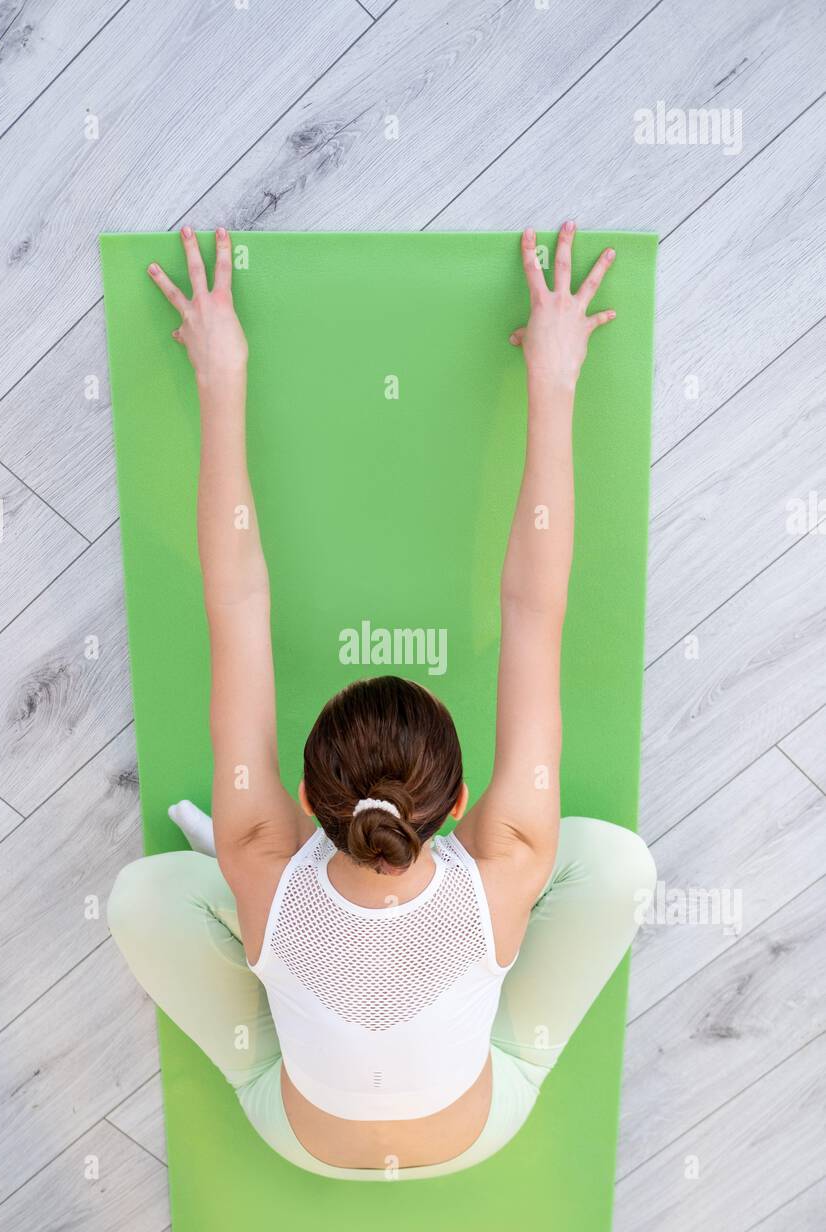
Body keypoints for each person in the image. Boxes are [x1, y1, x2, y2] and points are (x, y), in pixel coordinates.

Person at [108, 223, 656, 1180]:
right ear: (457, 809)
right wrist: (554, 379)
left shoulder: (259, 857)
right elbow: (536, 606)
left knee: (144, 895)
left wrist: (219, 378)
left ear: (310, 811)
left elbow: (234, 600)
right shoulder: (510, 857)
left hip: (298, 1140)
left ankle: (285, 1011)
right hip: (479, 1133)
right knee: (613, 863)